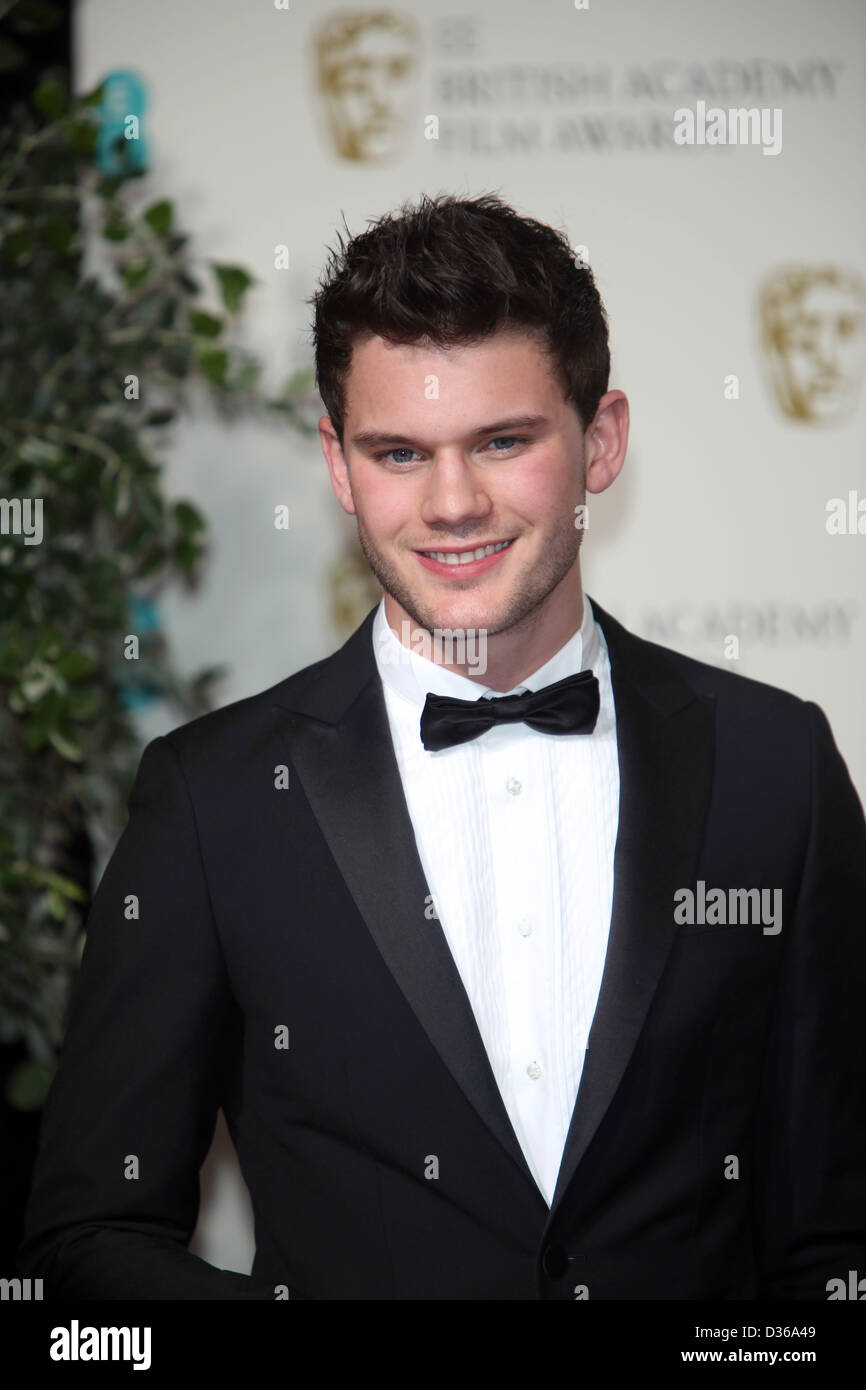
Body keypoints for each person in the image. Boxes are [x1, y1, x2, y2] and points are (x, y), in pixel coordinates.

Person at [18, 193, 866, 1300]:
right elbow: (88, 1243)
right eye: (398, 453)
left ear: (598, 440)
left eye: (502, 442)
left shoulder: (776, 767)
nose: (451, 502)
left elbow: (835, 1238)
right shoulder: (212, 802)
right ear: (337, 464)